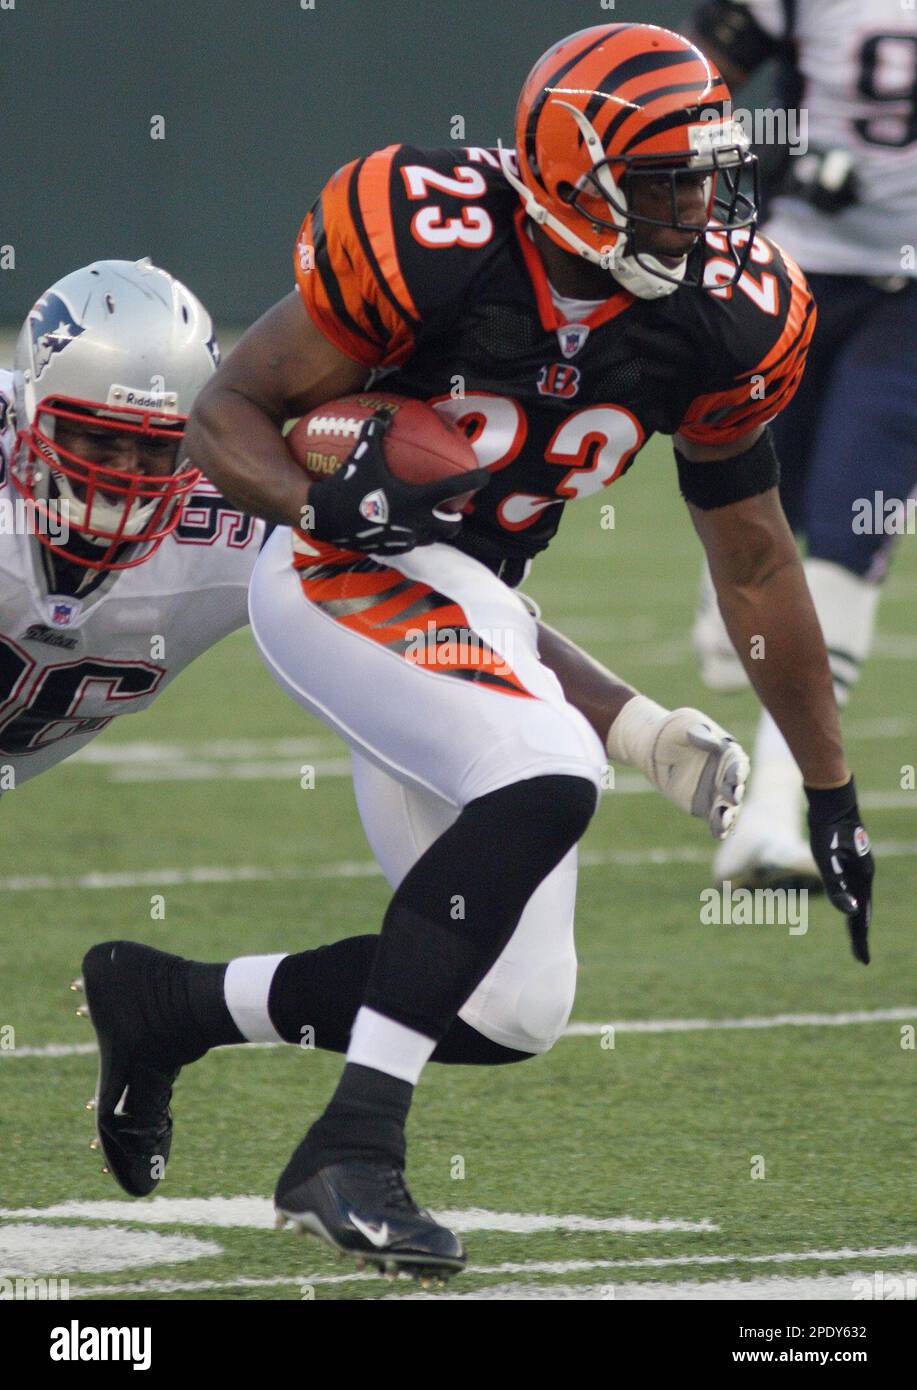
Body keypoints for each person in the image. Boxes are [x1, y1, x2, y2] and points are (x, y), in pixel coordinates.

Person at [81, 23, 874, 1281]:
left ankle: (170, 1003)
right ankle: (351, 1148)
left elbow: (757, 562)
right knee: (545, 773)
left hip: (470, 610)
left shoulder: (723, 317)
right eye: (664, 180)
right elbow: (224, 412)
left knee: (511, 1009)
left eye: (706, 175)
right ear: (574, 175)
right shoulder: (432, 238)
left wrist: (826, 786)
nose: (697, 209)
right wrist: (320, 505)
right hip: (333, 569)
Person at [690, 0, 917, 887]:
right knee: (750, 508)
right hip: (785, 273)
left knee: (847, 536)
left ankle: (774, 812)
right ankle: (729, 603)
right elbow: (688, 88)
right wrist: (770, 152)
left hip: (907, 299)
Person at [0, 258, 263, 794]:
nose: (125, 471)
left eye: (155, 446)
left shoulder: (234, 526)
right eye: (98, 439)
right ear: (27, 413)